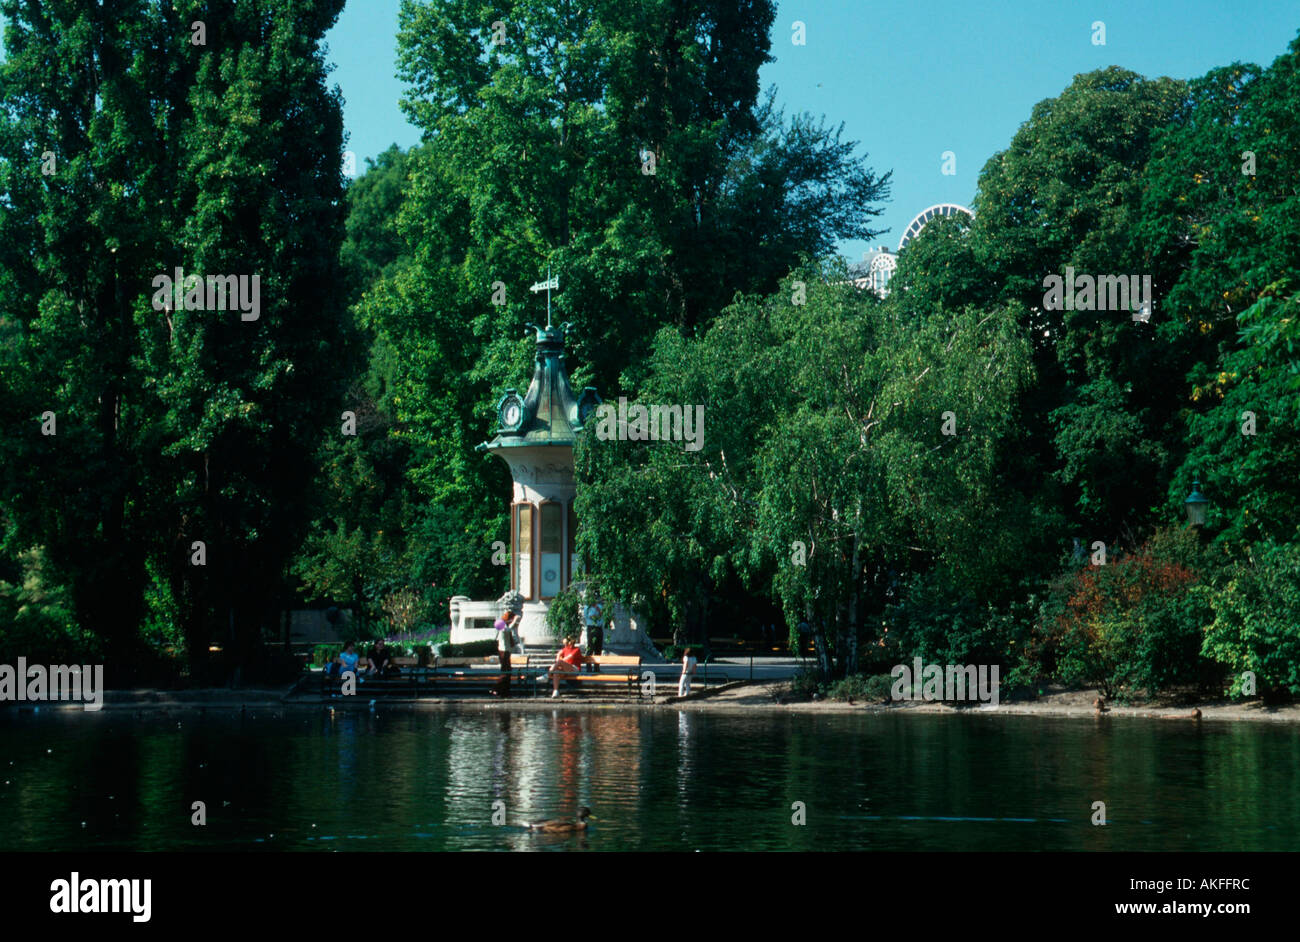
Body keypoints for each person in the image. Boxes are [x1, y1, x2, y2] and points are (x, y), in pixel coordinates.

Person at [492, 609, 519, 697]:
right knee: (505, 672)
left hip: (507, 651)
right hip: (503, 652)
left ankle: (505, 691)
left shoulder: (506, 626)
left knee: (508, 672)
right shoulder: (502, 626)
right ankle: (496, 689)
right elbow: (508, 630)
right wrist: (514, 621)